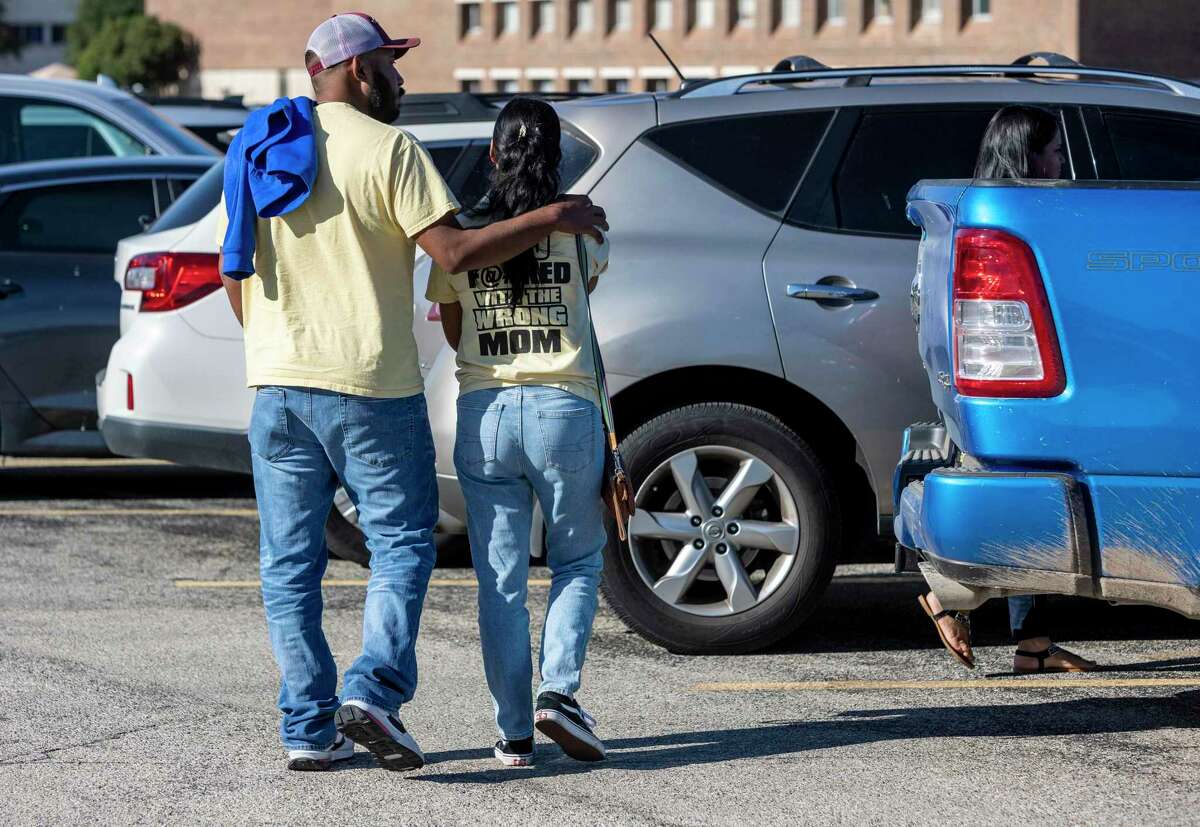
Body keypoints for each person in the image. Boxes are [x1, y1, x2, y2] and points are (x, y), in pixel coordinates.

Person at [215, 13, 607, 772]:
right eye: (393, 66)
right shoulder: (391, 150)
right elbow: (454, 250)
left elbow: (235, 274)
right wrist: (555, 214)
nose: (402, 80)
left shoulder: (259, 147)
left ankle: (307, 726)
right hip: (370, 386)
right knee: (399, 546)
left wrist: (273, 345)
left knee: (288, 565)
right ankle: (374, 692)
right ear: (361, 71)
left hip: (278, 389)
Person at [426, 98, 610, 767]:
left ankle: (513, 731)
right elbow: (589, 295)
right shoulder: (584, 229)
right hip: (565, 409)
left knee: (499, 580)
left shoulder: (463, 234)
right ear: (556, 160)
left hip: (486, 412)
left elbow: (451, 331)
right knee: (578, 560)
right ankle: (557, 692)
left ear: (495, 155)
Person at [918, 104, 1095, 676]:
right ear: (1028, 155)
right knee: (1029, 502)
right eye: (1056, 153)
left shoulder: (968, 208)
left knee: (1032, 497)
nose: (1064, 163)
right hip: (1012, 380)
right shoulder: (1017, 217)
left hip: (976, 379)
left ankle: (1034, 644)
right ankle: (950, 596)